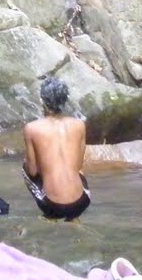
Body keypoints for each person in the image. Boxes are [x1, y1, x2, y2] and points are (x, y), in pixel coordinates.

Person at [21, 76, 90, 220]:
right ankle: (73, 218)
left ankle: (51, 217)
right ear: (65, 100)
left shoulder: (31, 128)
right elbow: (78, 166)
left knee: (24, 168)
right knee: (76, 171)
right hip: (82, 202)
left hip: (53, 205)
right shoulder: (79, 125)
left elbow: (33, 171)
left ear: (42, 101)